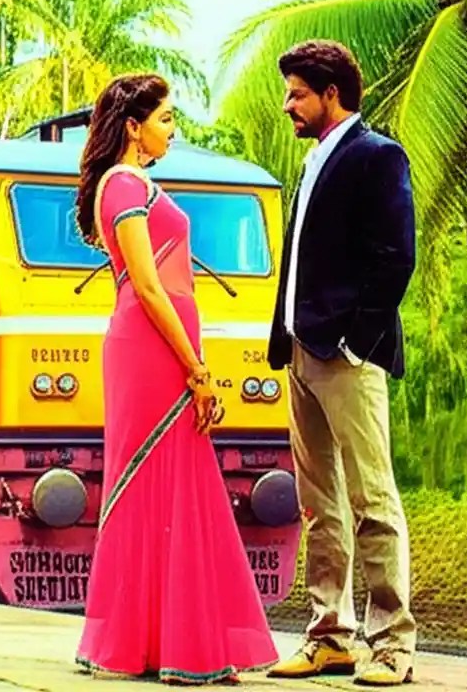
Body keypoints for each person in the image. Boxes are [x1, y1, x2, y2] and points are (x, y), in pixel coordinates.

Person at [72, 72, 280, 686]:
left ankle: (166, 643)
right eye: (165, 118)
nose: (173, 129)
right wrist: (196, 368)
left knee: (175, 485)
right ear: (133, 127)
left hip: (160, 348)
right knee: (158, 484)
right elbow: (146, 285)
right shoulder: (122, 185)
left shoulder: (134, 184)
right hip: (151, 351)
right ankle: (173, 647)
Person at [263, 40, 418, 686]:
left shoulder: (378, 156)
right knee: (319, 505)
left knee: (371, 500)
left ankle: (393, 645)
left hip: (348, 356)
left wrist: (356, 340)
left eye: (298, 94)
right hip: (300, 352)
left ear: (332, 95)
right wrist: (289, 339)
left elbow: (396, 257)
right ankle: (329, 635)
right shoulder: (313, 162)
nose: (288, 105)